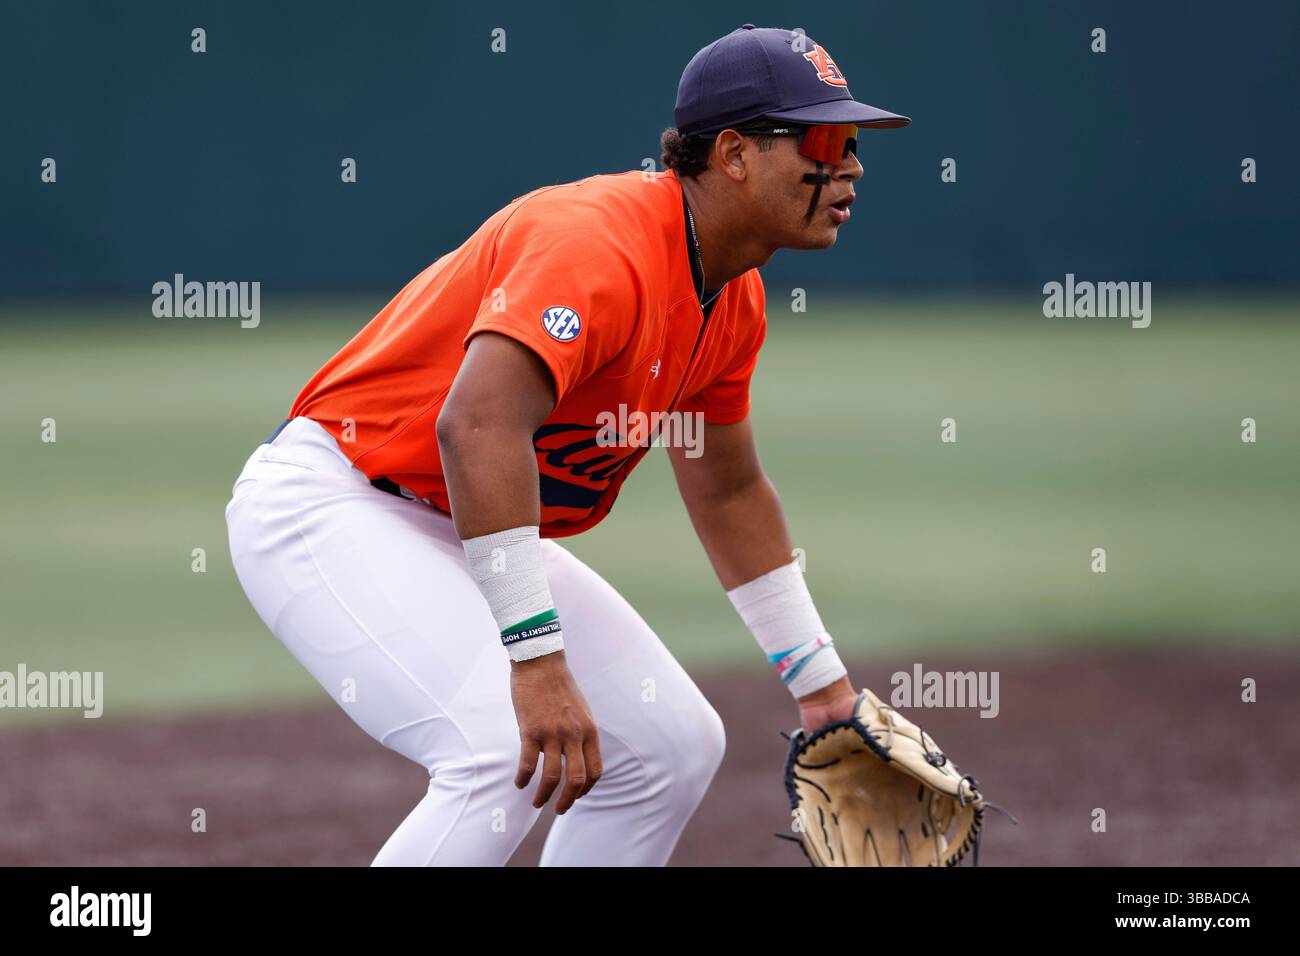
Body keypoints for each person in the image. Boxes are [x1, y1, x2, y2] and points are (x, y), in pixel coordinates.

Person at [225, 24, 909, 866]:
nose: (850, 166)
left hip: (456, 519)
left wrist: (824, 692)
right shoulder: (598, 240)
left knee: (671, 746)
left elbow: (728, 494)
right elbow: (476, 424)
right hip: (333, 502)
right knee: (496, 751)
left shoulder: (734, 299)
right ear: (733, 153)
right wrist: (536, 661)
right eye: (826, 139)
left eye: (852, 144)